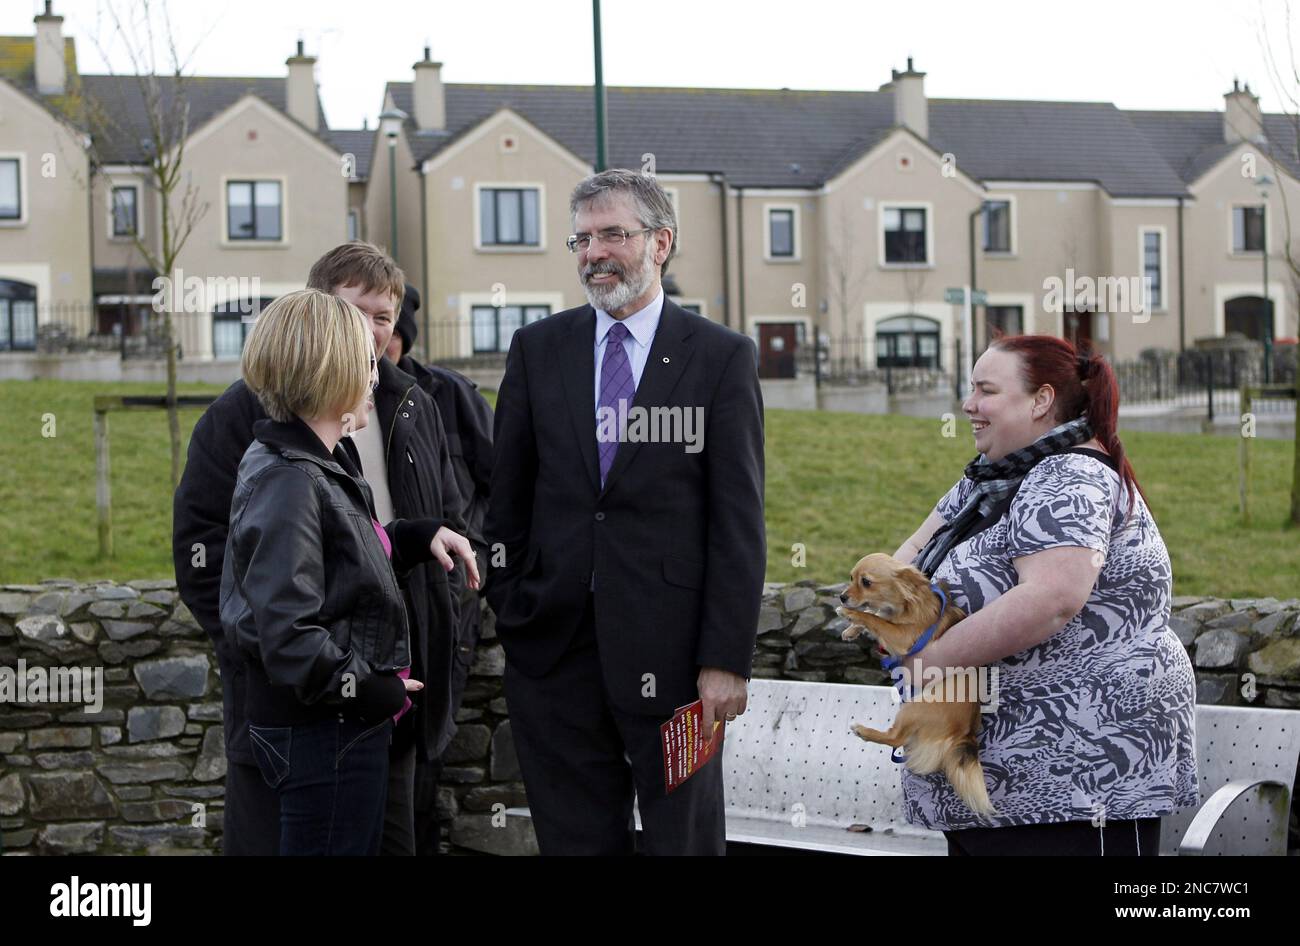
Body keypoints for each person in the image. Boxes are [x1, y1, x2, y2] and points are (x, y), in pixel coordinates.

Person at [484, 168, 766, 855]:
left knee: (684, 843)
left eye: (612, 234)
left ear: (660, 243)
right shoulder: (538, 349)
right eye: (581, 239)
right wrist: (514, 608)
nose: (593, 252)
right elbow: (506, 499)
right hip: (554, 654)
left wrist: (724, 659)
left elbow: (738, 521)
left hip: (676, 665)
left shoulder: (721, 358)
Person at [172, 242, 469, 856]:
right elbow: (275, 617)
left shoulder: (350, 436)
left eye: (381, 324)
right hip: (318, 713)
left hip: (366, 701)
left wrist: (415, 538)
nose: (374, 358)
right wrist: (346, 680)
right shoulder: (287, 468)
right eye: (354, 332)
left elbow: (351, 544)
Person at [891, 334, 1199, 856]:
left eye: (985, 390)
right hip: (1001, 783)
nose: (968, 405)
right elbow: (915, 552)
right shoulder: (989, 478)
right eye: (970, 389)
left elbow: (1052, 599)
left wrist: (929, 657)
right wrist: (886, 614)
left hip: (1079, 778)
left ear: (1041, 401)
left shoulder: (1070, 476)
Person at [386, 284, 495, 855]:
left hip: (444, 611)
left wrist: (477, 575)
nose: (381, 343)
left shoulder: (449, 398)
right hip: (372, 622)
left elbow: (507, 487)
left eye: (392, 329)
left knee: (425, 767)